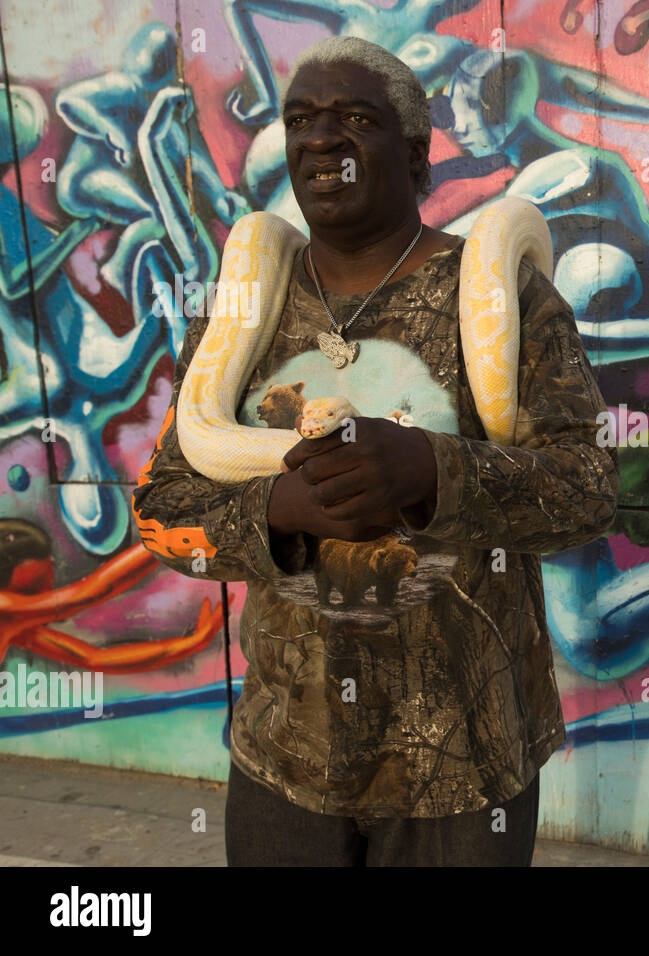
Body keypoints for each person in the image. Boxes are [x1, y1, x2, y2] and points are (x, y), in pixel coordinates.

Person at [131, 35, 619, 866]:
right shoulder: (247, 307)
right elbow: (162, 508)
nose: (321, 139)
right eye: (301, 120)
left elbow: (587, 489)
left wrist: (433, 470)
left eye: (356, 118)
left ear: (417, 152)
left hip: (465, 769)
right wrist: (277, 508)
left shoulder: (506, 294)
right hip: (287, 758)